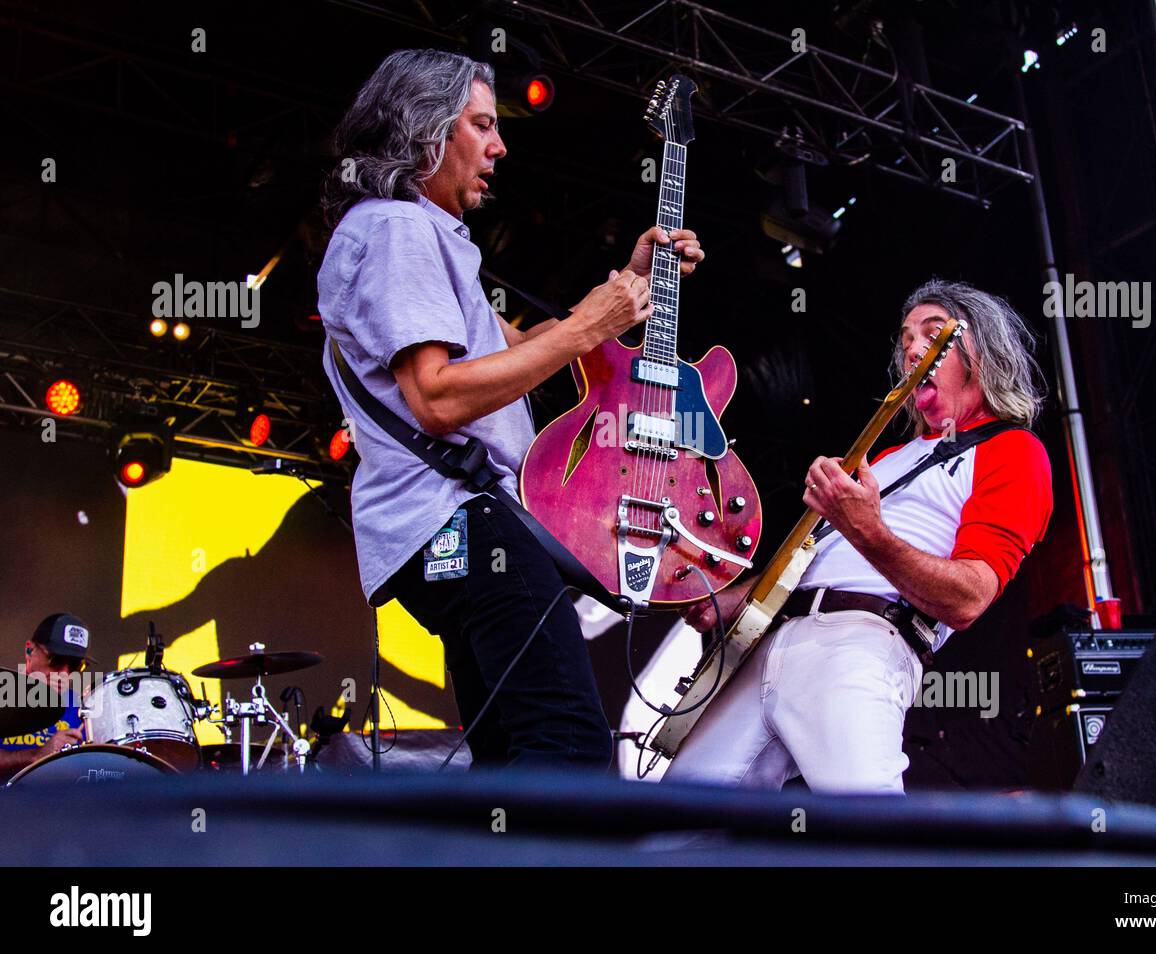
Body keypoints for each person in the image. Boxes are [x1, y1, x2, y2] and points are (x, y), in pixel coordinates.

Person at [318, 50, 705, 770]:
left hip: (446, 529)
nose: (500, 145)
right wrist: (590, 323)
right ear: (423, 129)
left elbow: (521, 352)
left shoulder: (418, 237)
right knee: (567, 744)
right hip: (459, 514)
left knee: (508, 752)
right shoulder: (398, 231)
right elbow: (436, 397)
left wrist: (629, 284)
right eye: (482, 125)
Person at [665, 279, 1053, 794]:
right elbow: (818, 556)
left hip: (861, 643)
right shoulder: (889, 458)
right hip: (773, 642)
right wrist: (734, 599)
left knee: (868, 836)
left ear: (983, 352)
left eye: (933, 334)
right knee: (676, 829)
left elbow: (968, 597)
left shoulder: (1014, 451)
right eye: (906, 338)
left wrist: (866, 528)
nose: (913, 347)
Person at [0, 613, 90, 781]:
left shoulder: (84, 712)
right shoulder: (4, 692)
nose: (64, 673)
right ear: (29, 650)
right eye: (56, 660)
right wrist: (35, 755)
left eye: (74, 665)